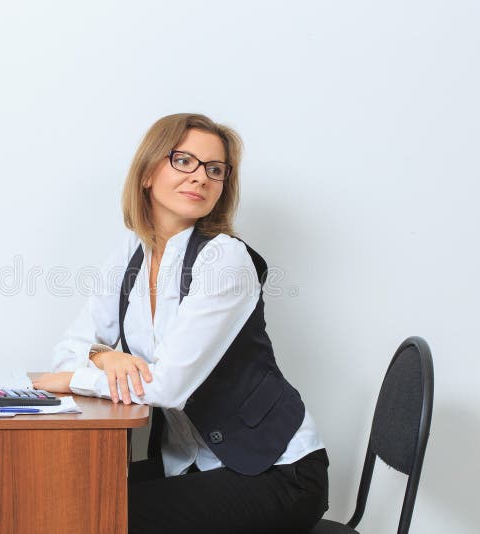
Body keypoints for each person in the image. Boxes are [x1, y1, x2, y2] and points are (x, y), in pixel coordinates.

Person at [33, 113, 328, 534]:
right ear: (149, 172)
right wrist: (103, 358)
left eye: (214, 169)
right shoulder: (130, 256)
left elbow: (167, 387)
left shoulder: (224, 260)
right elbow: (68, 350)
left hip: (277, 472)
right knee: (70, 496)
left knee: (102, 514)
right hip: (192, 463)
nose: (201, 178)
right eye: (184, 161)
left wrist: (76, 380)